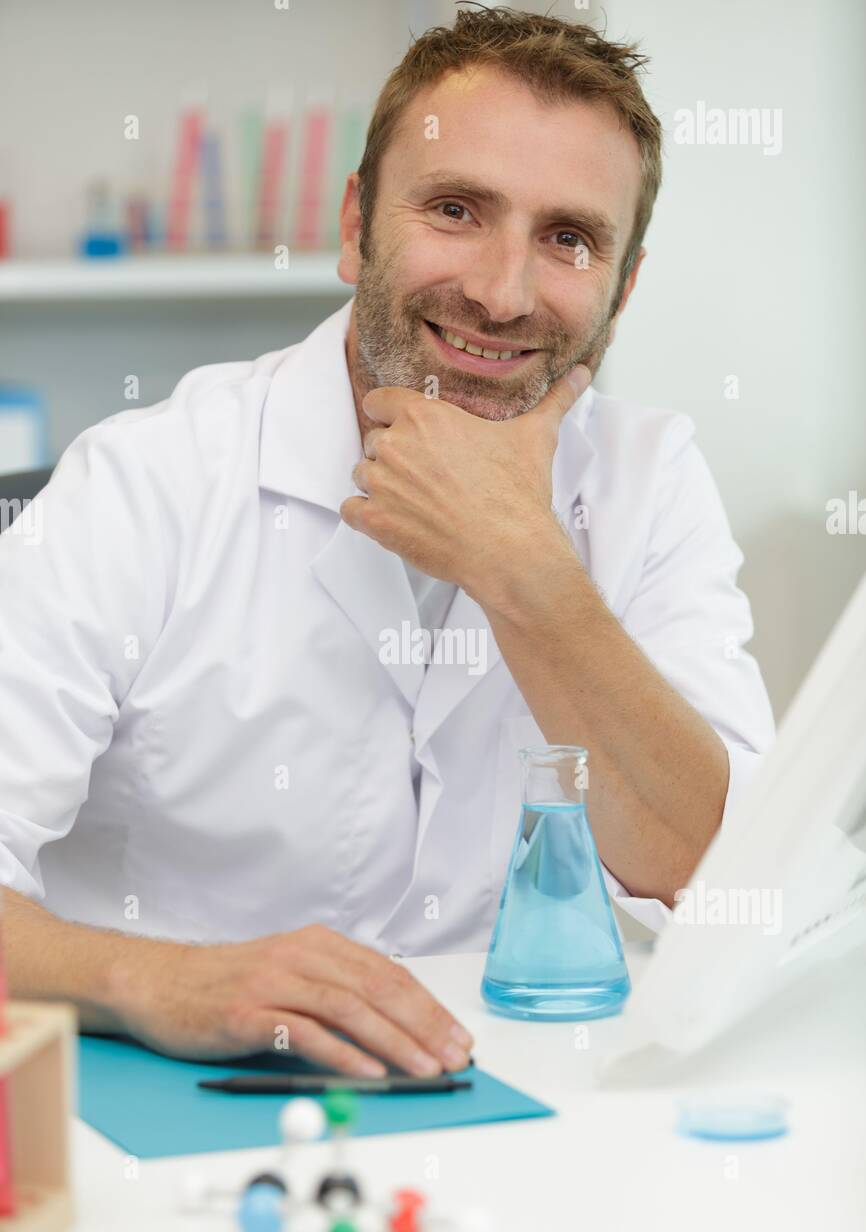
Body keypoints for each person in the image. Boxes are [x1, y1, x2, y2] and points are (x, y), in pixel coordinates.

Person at [0, 9, 774, 1078]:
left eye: (567, 238)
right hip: (181, 1111)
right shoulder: (146, 482)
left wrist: (518, 559)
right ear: (356, 221)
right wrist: (164, 980)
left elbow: (720, 880)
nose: (502, 295)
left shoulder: (648, 480)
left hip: (527, 1114)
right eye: (455, 209)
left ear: (621, 287)